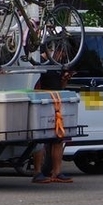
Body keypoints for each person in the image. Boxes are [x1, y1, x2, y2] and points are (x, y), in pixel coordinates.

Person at [33, 44, 74, 183]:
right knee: (40, 139)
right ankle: (37, 172)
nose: (62, 57)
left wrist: (64, 80)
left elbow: (60, 87)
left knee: (58, 138)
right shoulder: (39, 62)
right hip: (42, 102)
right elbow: (34, 84)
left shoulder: (58, 65)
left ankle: (57, 172)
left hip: (57, 103)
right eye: (61, 53)